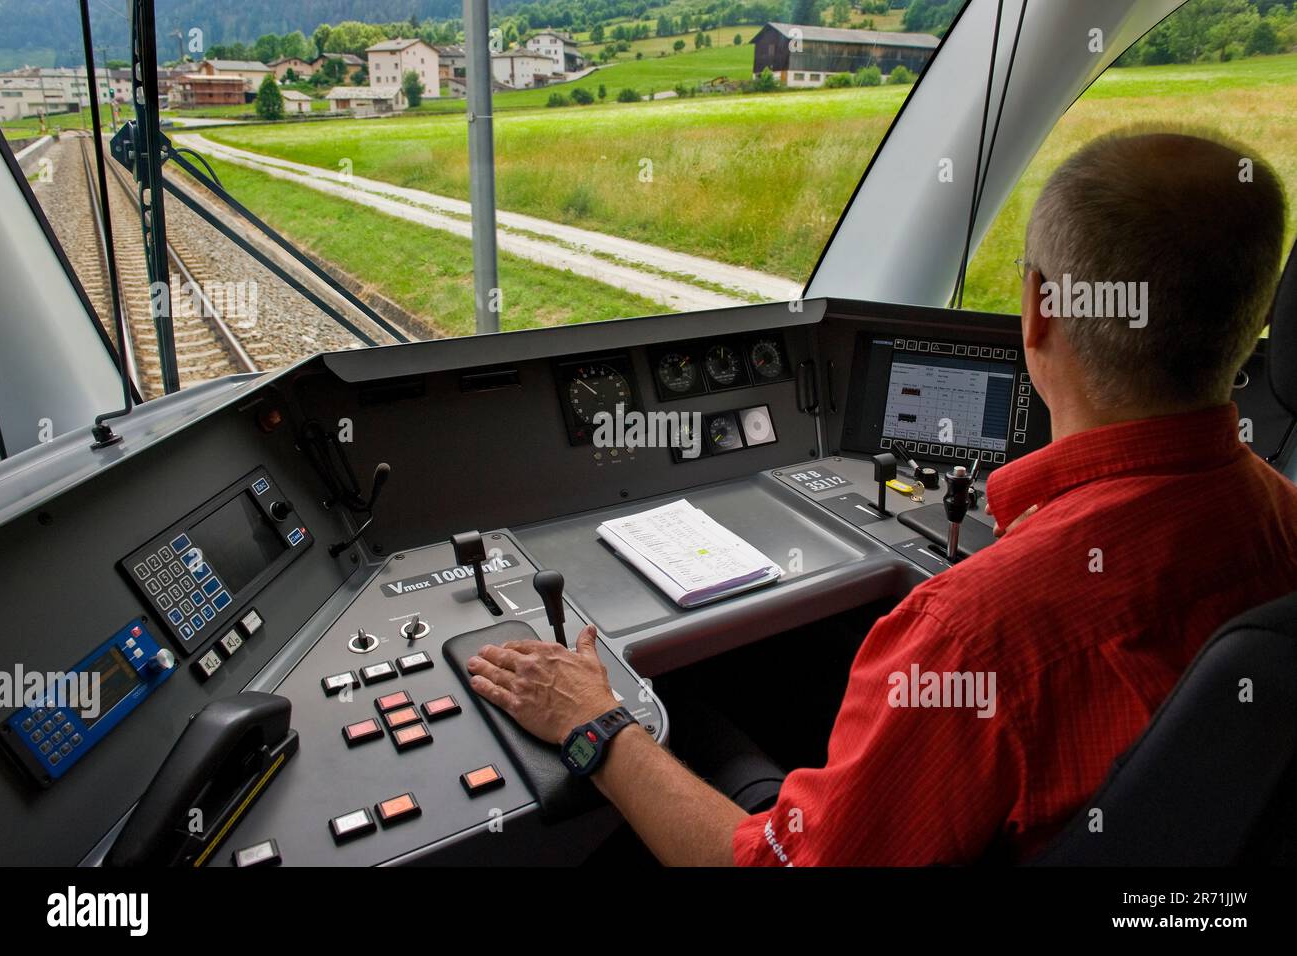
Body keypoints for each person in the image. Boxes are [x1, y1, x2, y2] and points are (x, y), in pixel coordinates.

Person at [466, 131, 1297, 866]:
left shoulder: (974, 631)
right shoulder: (1285, 523)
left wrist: (597, 727)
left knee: (687, 713)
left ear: (1039, 312)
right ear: (1248, 318)